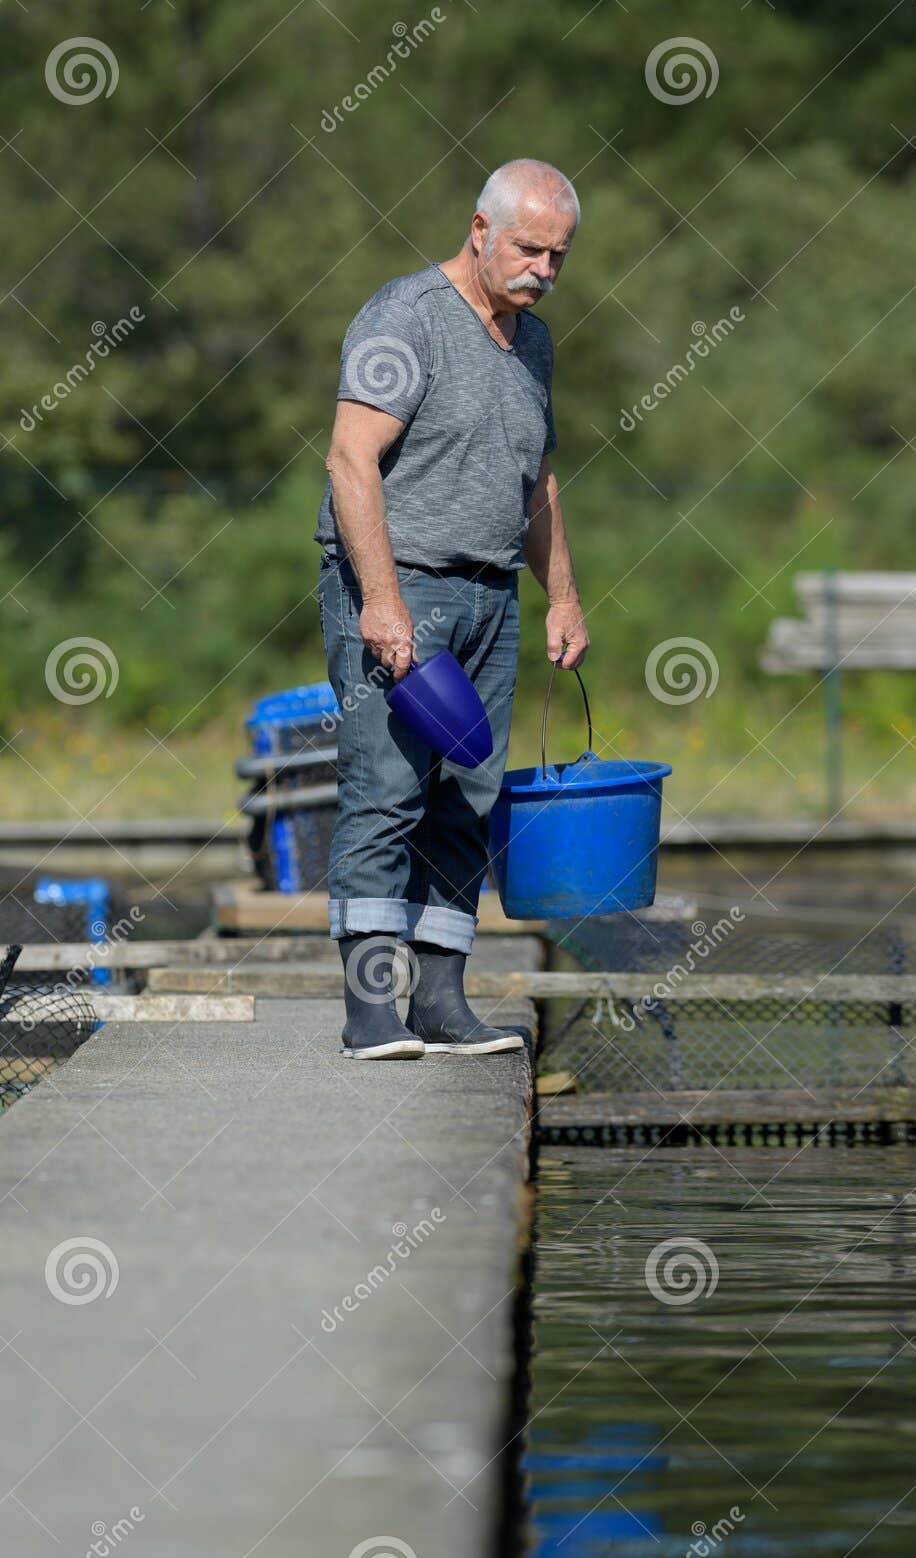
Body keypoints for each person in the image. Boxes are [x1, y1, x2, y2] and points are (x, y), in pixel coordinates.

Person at [314, 158, 589, 1060]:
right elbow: (350, 462)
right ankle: (368, 1015)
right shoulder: (406, 319)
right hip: (405, 590)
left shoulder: (533, 342)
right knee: (385, 794)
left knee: (467, 800)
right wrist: (383, 605)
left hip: (492, 593)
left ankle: (441, 1003)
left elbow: (537, 481)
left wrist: (564, 599)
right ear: (479, 229)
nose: (542, 271)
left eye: (557, 256)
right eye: (528, 249)